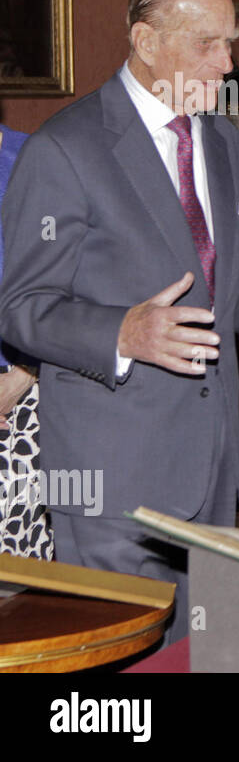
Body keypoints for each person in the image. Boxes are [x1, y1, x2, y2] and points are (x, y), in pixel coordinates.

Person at [0, 0, 239, 642]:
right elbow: (20, 305)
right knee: (122, 675)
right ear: (146, 41)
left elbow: (210, 296)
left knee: (200, 653)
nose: (227, 64)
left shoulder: (216, 138)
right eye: (207, 44)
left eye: (231, 42)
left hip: (212, 470)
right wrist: (122, 332)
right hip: (110, 479)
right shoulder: (65, 149)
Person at [0, 123, 49, 560]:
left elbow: (72, 282)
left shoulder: (39, 161)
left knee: (17, 570)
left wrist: (21, 377)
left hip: (25, 389)